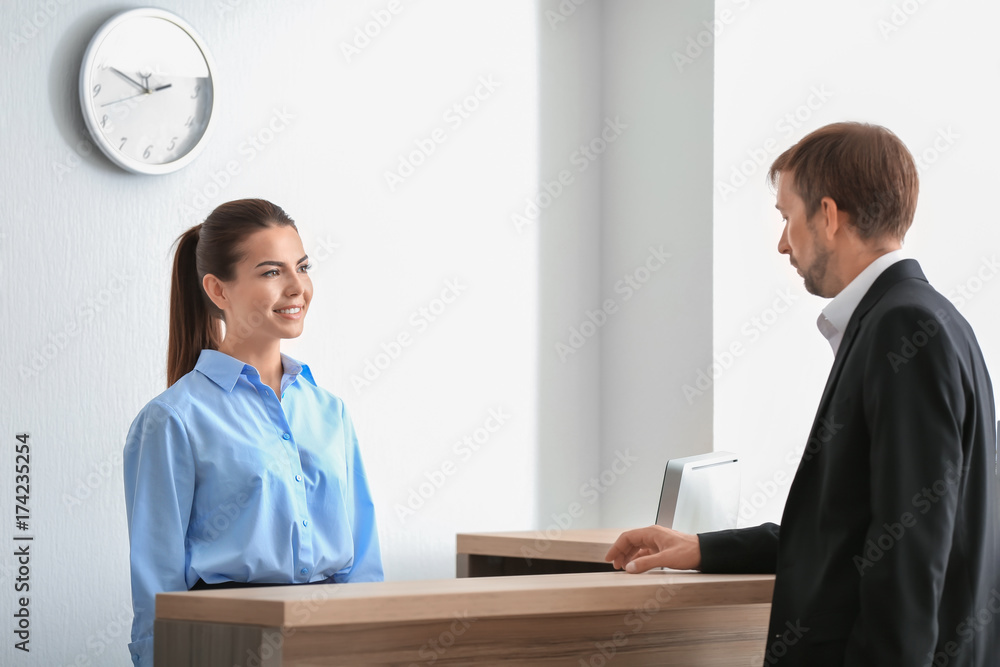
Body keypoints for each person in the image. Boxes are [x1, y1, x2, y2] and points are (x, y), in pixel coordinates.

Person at [606, 123, 999, 666]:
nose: (783, 242)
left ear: (829, 216)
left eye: (787, 216)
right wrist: (702, 549)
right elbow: (853, 530)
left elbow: (909, 556)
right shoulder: (924, 318)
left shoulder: (902, 327)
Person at [123, 199, 383, 667]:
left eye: (301, 267)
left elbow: (363, 558)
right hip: (226, 646)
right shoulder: (174, 419)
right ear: (218, 290)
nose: (297, 287)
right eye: (271, 272)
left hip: (337, 642)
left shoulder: (329, 411)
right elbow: (156, 579)